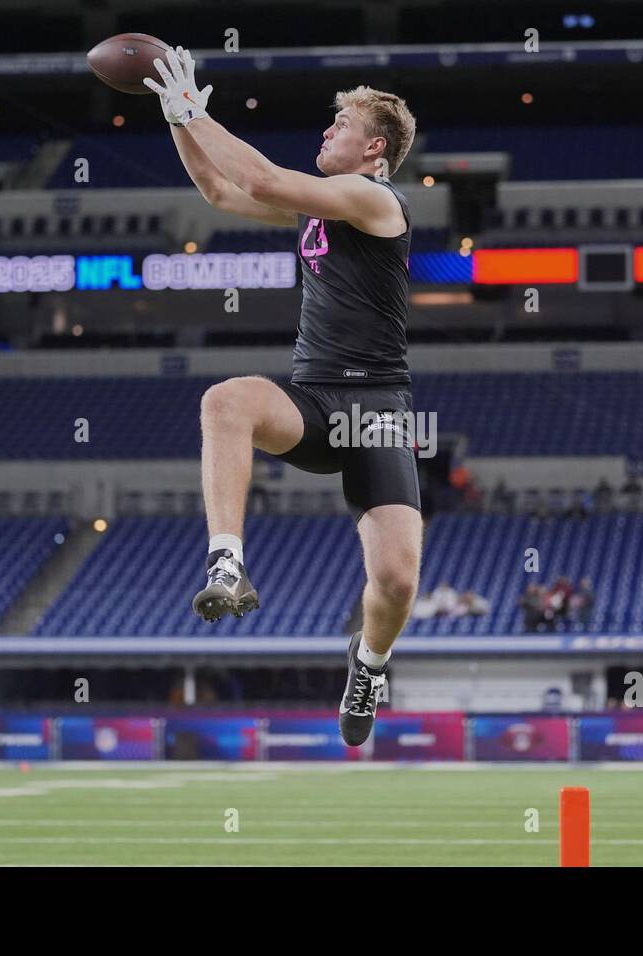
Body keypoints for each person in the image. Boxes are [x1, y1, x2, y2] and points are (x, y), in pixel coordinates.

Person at [145, 47, 419, 747]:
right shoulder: (318, 212)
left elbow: (261, 176)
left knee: (394, 582)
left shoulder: (375, 197)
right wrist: (177, 118)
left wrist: (194, 110)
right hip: (313, 404)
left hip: (377, 414)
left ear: (375, 149)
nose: (328, 131)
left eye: (342, 123)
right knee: (227, 400)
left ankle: (369, 663)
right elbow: (219, 191)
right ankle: (227, 563)